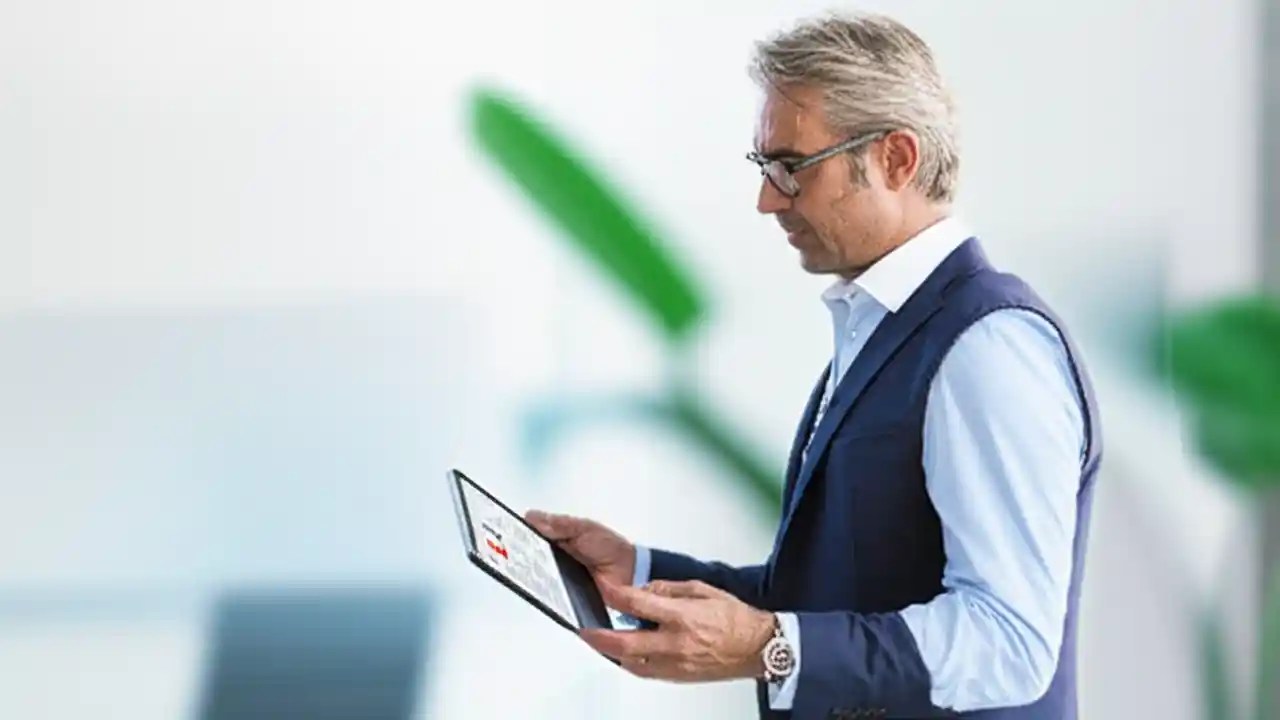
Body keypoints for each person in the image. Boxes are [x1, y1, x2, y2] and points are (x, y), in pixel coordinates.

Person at [525, 11, 1101, 720]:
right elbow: (835, 594)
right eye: (765, 167)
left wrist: (768, 646)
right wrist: (636, 573)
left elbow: (1008, 643)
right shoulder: (884, 330)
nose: (768, 198)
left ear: (896, 158)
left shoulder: (988, 345)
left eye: (791, 168)